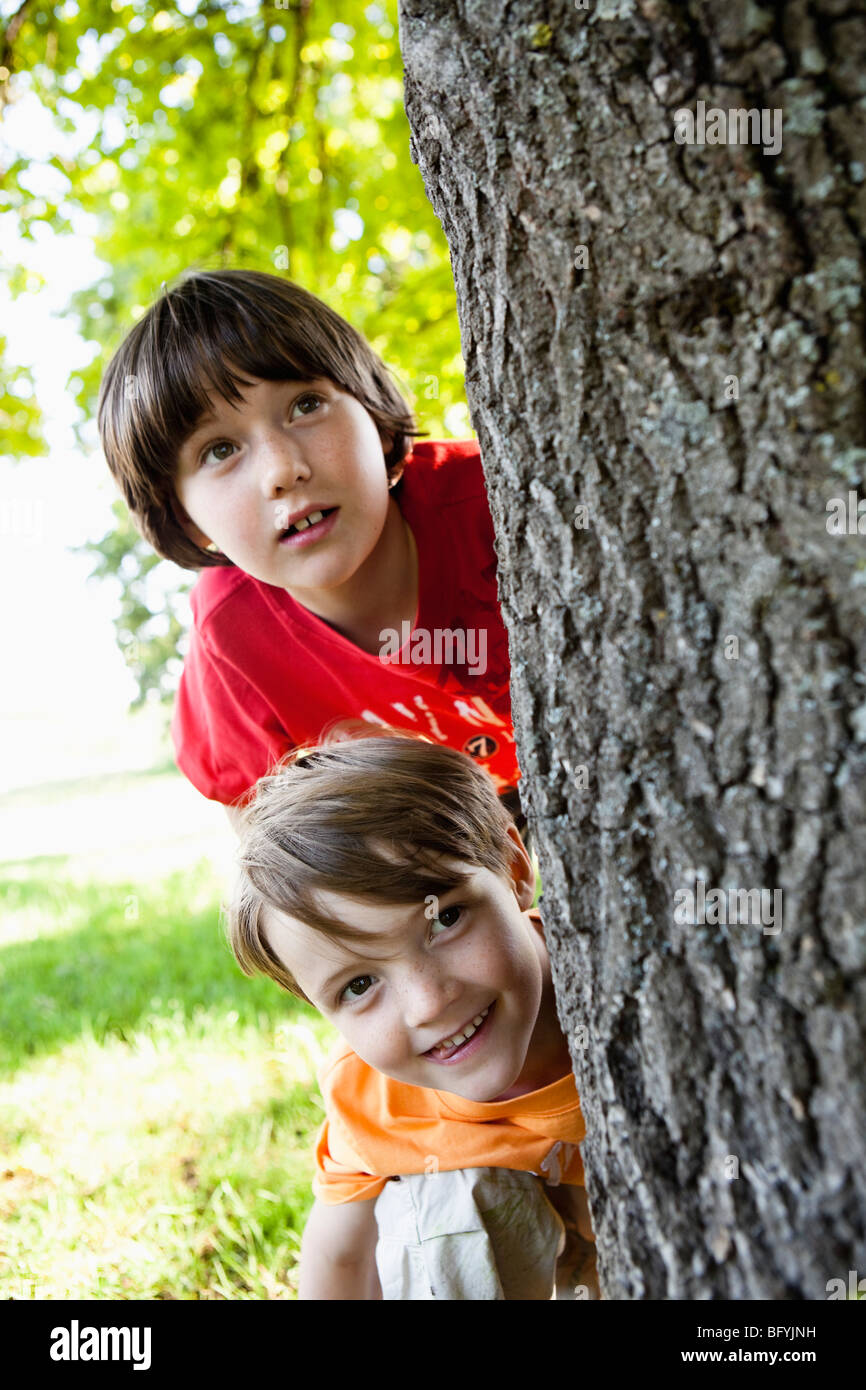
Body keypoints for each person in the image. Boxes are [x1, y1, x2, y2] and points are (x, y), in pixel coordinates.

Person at [97, 268, 523, 830]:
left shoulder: (497, 505)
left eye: (305, 406)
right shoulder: (231, 630)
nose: (282, 469)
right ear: (186, 519)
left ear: (375, 417)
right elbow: (269, 843)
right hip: (433, 845)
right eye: (220, 449)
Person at [228, 733, 598, 1300]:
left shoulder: (614, 987)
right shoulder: (371, 1095)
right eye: (359, 985)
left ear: (516, 869)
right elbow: (340, 1256)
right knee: (445, 1198)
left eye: (446, 920)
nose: (428, 1003)